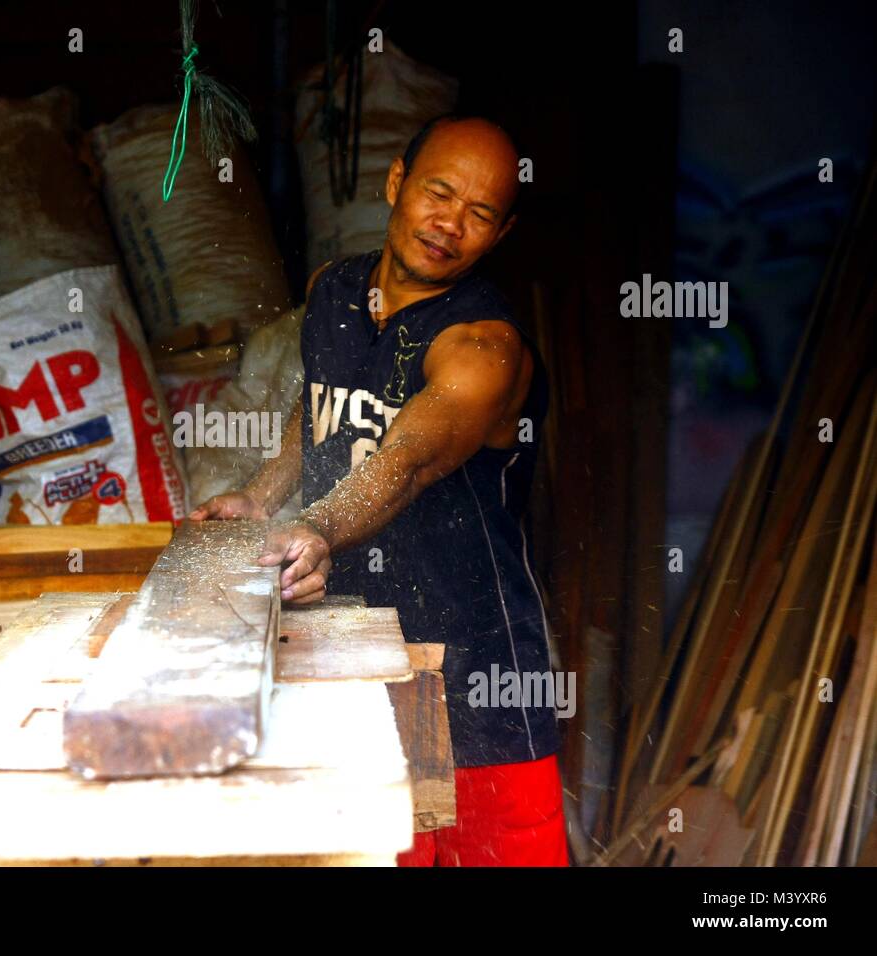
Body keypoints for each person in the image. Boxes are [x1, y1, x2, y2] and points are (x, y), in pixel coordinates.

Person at [190, 115, 569, 866]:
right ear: (398, 182)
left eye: (480, 213)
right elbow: (323, 407)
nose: (450, 223)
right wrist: (261, 497)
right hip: (350, 656)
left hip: (476, 680)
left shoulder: (485, 347)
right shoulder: (332, 290)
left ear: (501, 232)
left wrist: (318, 528)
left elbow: (408, 462)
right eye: (439, 193)